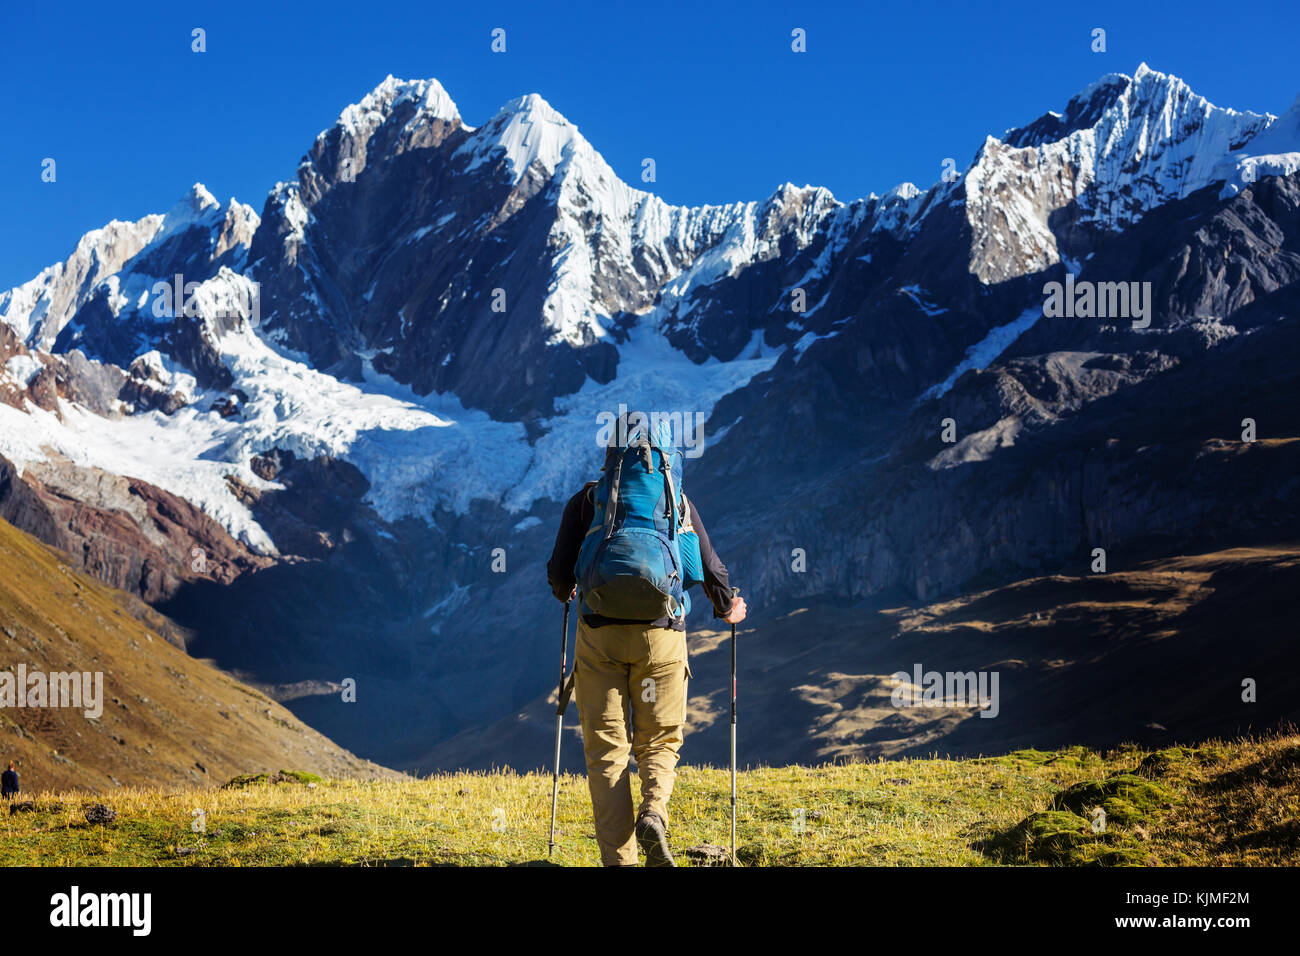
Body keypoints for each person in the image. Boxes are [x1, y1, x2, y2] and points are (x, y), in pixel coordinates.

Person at [547, 419, 746, 867]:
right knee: (658, 740)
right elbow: (708, 570)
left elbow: (559, 577)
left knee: (606, 752)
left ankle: (621, 863)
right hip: (661, 634)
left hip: (599, 636)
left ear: (610, 457)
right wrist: (729, 607)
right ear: (664, 458)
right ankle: (653, 811)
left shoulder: (587, 500)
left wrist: (571, 591)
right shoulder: (676, 501)